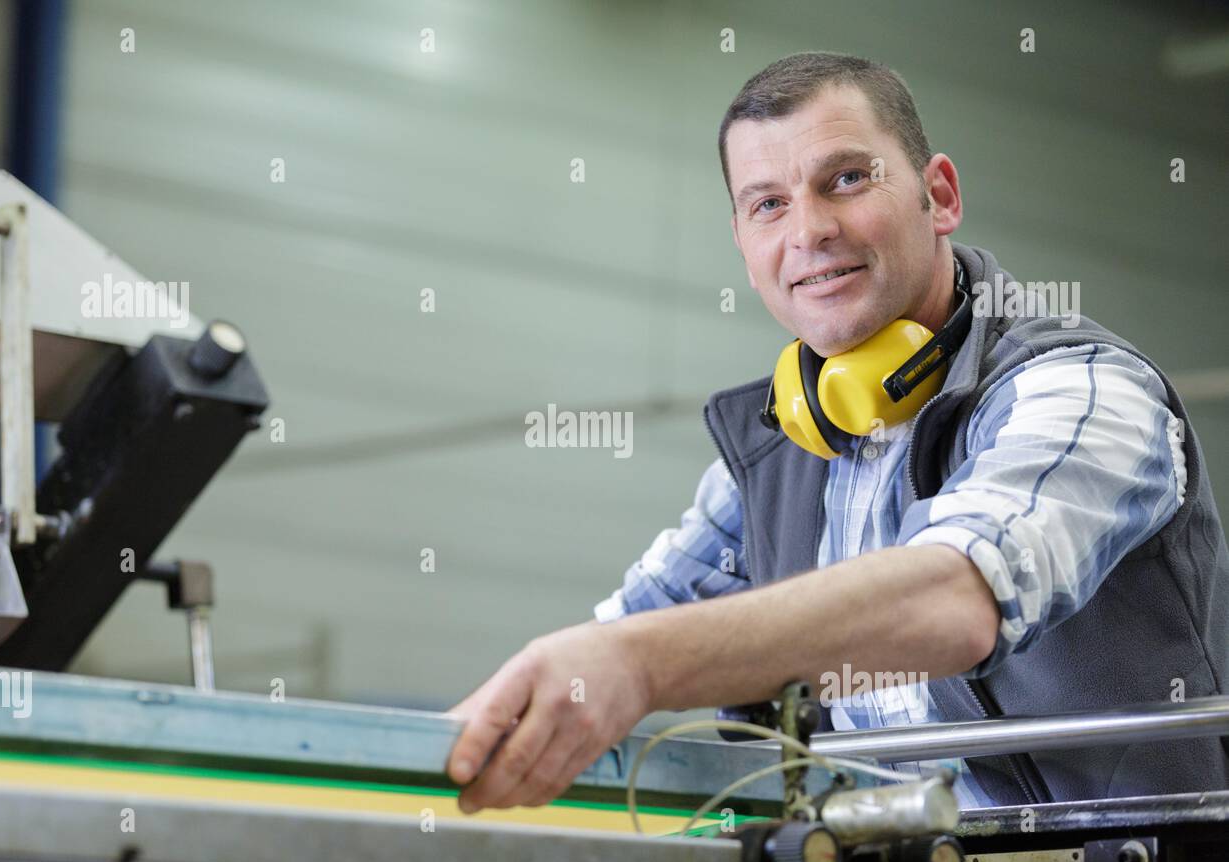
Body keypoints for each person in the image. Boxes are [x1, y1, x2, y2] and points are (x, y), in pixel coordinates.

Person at [445, 51, 1229, 813]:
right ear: (745, 247)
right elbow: (616, 638)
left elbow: (956, 597)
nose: (809, 229)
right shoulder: (775, 454)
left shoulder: (1082, 387)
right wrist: (446, 750)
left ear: (941, 195)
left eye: (847, 179)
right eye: (768, 204)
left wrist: (641, 666)